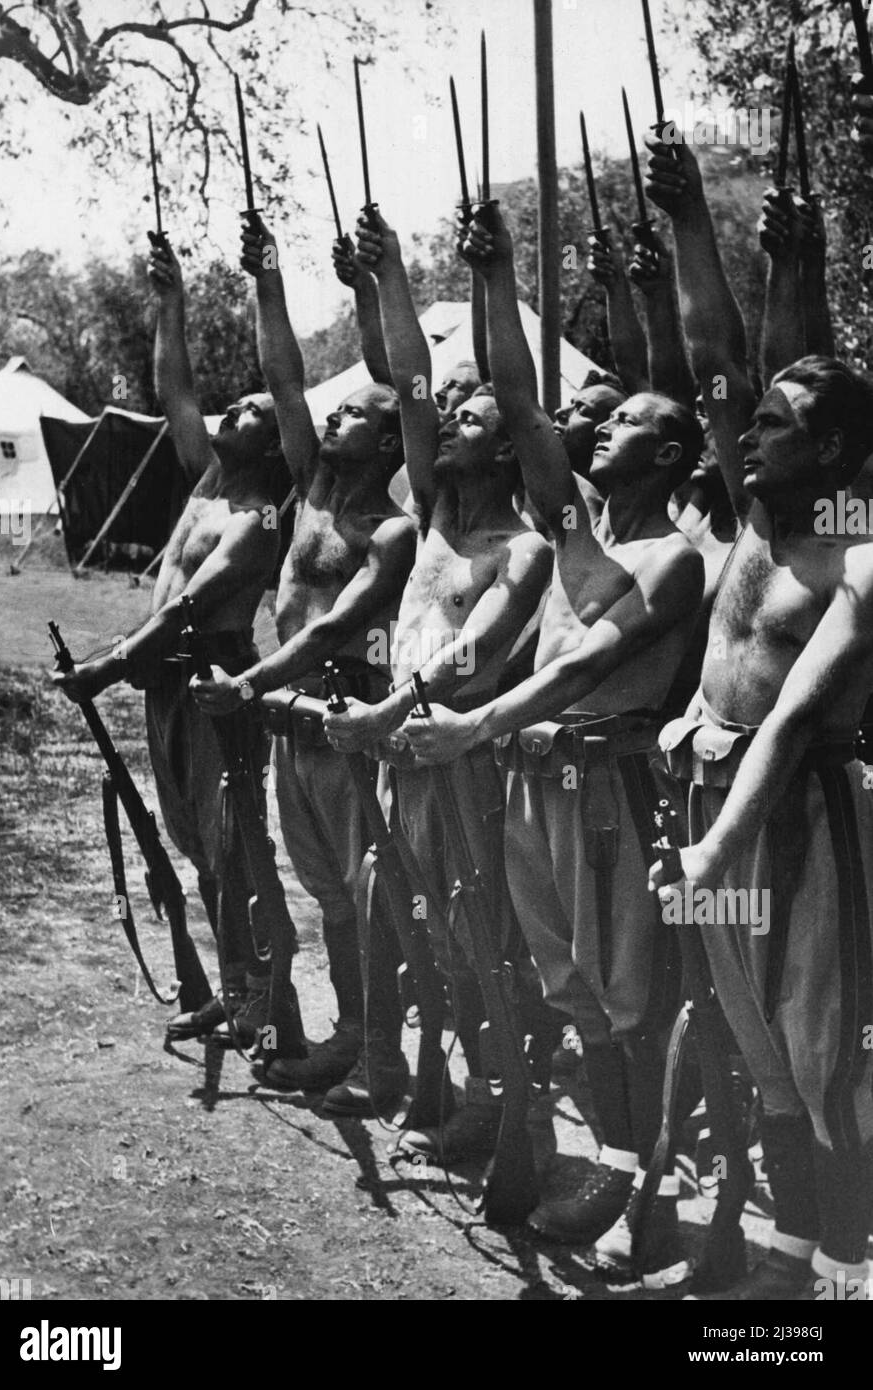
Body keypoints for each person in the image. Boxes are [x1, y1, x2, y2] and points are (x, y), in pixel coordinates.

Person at [404, 205, 706, 1282]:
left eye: (625, 420)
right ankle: (607, 1164)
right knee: (573, 989)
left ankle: (642, 1190)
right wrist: (492, 274)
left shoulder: (675, 555)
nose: (602, 427)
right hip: (536, 779)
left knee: (630, 1001)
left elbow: (581, 669)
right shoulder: (576, 523)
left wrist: (479, 723)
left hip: (608, 787)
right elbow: (524, 404)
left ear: (666, 451)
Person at [646, 124, 873, 1301]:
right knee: (762, 1052)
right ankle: (787, 1265)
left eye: (778, 422)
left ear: (832, 448)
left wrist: (711, 849)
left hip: (795, 833)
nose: (744, 428)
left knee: (828, 1062)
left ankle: (844, 1275)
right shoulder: (753, 515)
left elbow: (788, 726)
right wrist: (692, 220)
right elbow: (717, 356)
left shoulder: (851, 555)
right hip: (709, 812)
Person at [323, 205, 555, 1165]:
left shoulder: (524, 546)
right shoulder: (430, 515)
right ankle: (422, 1074)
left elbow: (475, 654)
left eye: (470, 418)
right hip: (395, 753)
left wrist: (391, 708)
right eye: (445, 419)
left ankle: (503, 1111)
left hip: (456, 762)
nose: (445, 422)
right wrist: (382, 283)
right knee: (399, 919)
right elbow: (410, 386)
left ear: (505, 449)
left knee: (468, 935)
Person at [53, 237, 301, 1053]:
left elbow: (188, 608)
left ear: (273, 445)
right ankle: (233, 994)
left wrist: (106, 666)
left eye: (255, 414)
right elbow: (176, 389)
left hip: (212, 682)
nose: (235, 412)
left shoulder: (257, 515)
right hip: (168, 687)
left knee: (235, 849)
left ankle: (272, 1006)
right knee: (195, 846)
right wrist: (170, 299)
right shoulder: (206, 479)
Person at [192, 215, 416, 1117]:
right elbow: (285, 377)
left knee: (372, 897)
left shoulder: (392, 531)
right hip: (291, 724)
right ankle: (352, 1040)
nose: (335, 414)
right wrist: (269, 279)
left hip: (346, 721)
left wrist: (249, 683)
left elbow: (334, 634)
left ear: (395, 446)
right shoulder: (312, 487)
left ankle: (385, 1059)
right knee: (328, 895)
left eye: (359, 414)